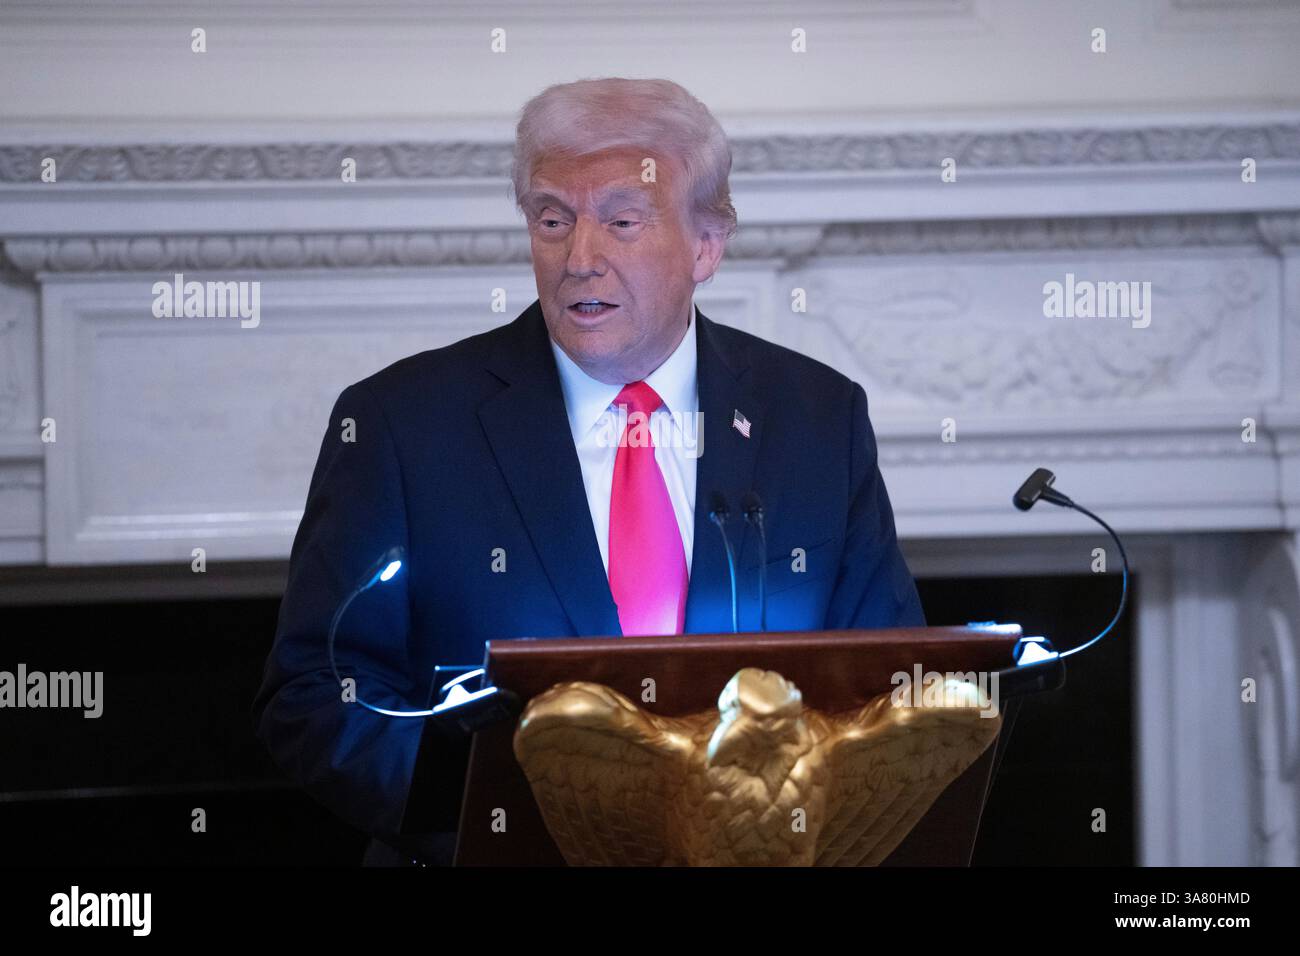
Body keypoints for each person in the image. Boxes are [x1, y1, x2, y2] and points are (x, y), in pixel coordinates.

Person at [253, 77, 924, 866]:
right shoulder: (402, 426)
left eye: (622, 221)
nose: (579, 259)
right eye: (552, 220)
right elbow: (313, 699)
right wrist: (510, 801)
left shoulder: (815, 418)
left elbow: (892, 688)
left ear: (706, 244)